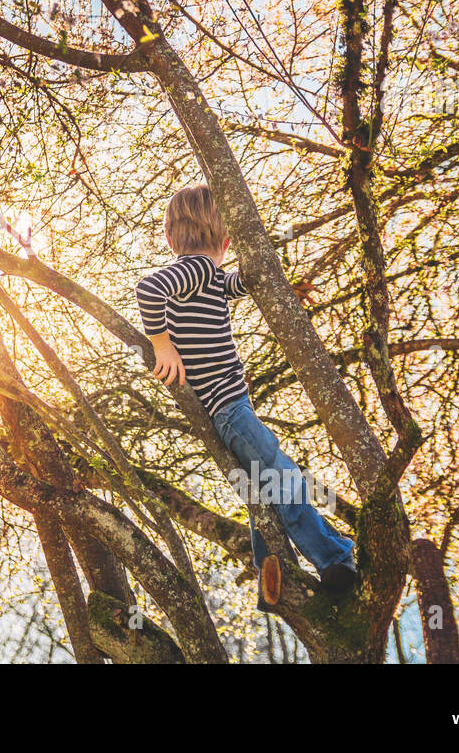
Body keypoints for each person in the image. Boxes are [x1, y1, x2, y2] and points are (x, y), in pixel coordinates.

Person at [135, 184, 357, 610]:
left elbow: (239, 283)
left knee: (262, 493)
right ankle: (333, 558)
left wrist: (281, 291)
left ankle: (273, 574)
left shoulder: (209, 278)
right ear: (227, 240)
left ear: (168, 236)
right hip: (229, 408)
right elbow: (148, 289)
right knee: (282, 476)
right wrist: (161, 344)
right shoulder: (197, 268)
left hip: (230, 408)